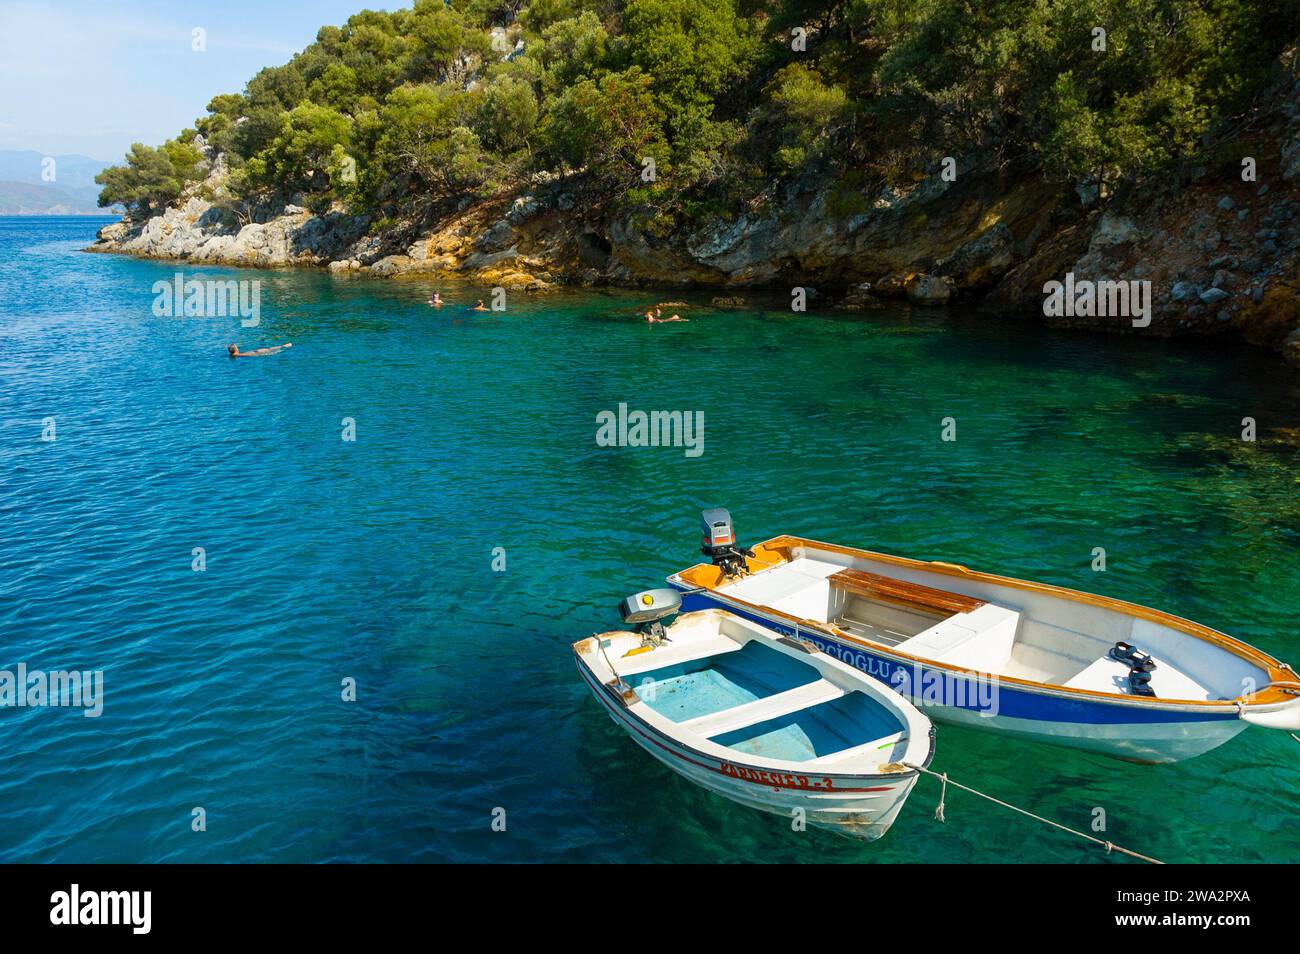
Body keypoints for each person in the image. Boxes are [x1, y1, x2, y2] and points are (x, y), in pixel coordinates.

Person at [228, 342, 292, 358]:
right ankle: (284, 346)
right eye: (237, 347)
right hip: (256, 353)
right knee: (269, 350)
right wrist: (257, 353)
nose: (238, 348)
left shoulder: (234, 355)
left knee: (269, 350)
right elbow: (249, 354)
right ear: (235, 349)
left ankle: (283, 346)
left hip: (255, 352)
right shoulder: (238, 355)